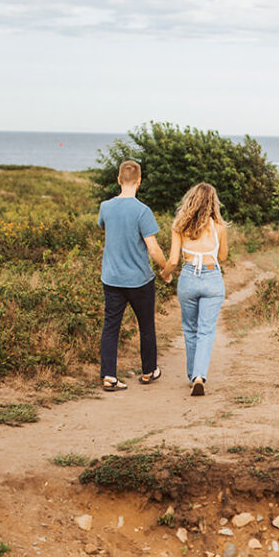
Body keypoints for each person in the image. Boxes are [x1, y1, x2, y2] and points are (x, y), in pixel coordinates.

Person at [98, 160, 167, 391]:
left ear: (118, 180)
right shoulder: (142, 211)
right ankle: (148, 372)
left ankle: (108, 376)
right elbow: (153, 248)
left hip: (111, 278)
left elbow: (105, 228)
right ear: (139, 182)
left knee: (110, 327)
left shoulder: (105, 207)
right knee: (146, 326)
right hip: (139, 280)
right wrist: (166, 269)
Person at [161, 182, 229, 396]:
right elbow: (223, 257)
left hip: (189, 277)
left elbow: (173, 260)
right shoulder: (219, 227)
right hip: (212, 278)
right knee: (206, 330)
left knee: (190, 329)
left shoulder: (179, 226)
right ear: (212, 203)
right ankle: (199, 375)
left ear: (191, 200)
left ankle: (193, 376)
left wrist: (165, 274)